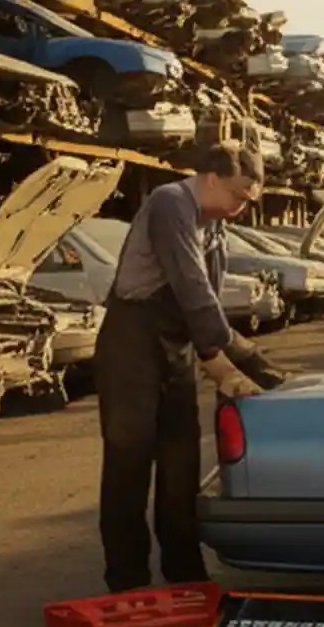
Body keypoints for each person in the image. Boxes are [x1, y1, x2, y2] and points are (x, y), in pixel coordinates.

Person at [95, 142, 289, 593]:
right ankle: (127, 579)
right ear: (212, 178)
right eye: (240, 195)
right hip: (131, 341)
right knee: (130, 461)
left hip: (175, 345)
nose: (243, 206)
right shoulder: (170, 204)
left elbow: (209, 306)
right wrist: (221, 362)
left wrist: (262, 370)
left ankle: (183, 572)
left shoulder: (214, 223)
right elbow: (191, 285)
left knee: (181, 461)